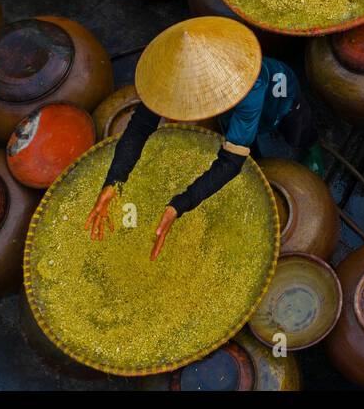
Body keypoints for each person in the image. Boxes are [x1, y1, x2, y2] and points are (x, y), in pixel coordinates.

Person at [83, 17, 320, 260]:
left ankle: (309, 146)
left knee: (296, 129)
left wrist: (180, 204)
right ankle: (257, 155)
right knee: (244, 139)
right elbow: (139, 129)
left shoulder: (251, 87)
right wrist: (114, 181)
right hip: (236, 110)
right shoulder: (167, 71)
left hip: (280, 98)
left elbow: (230, 162)